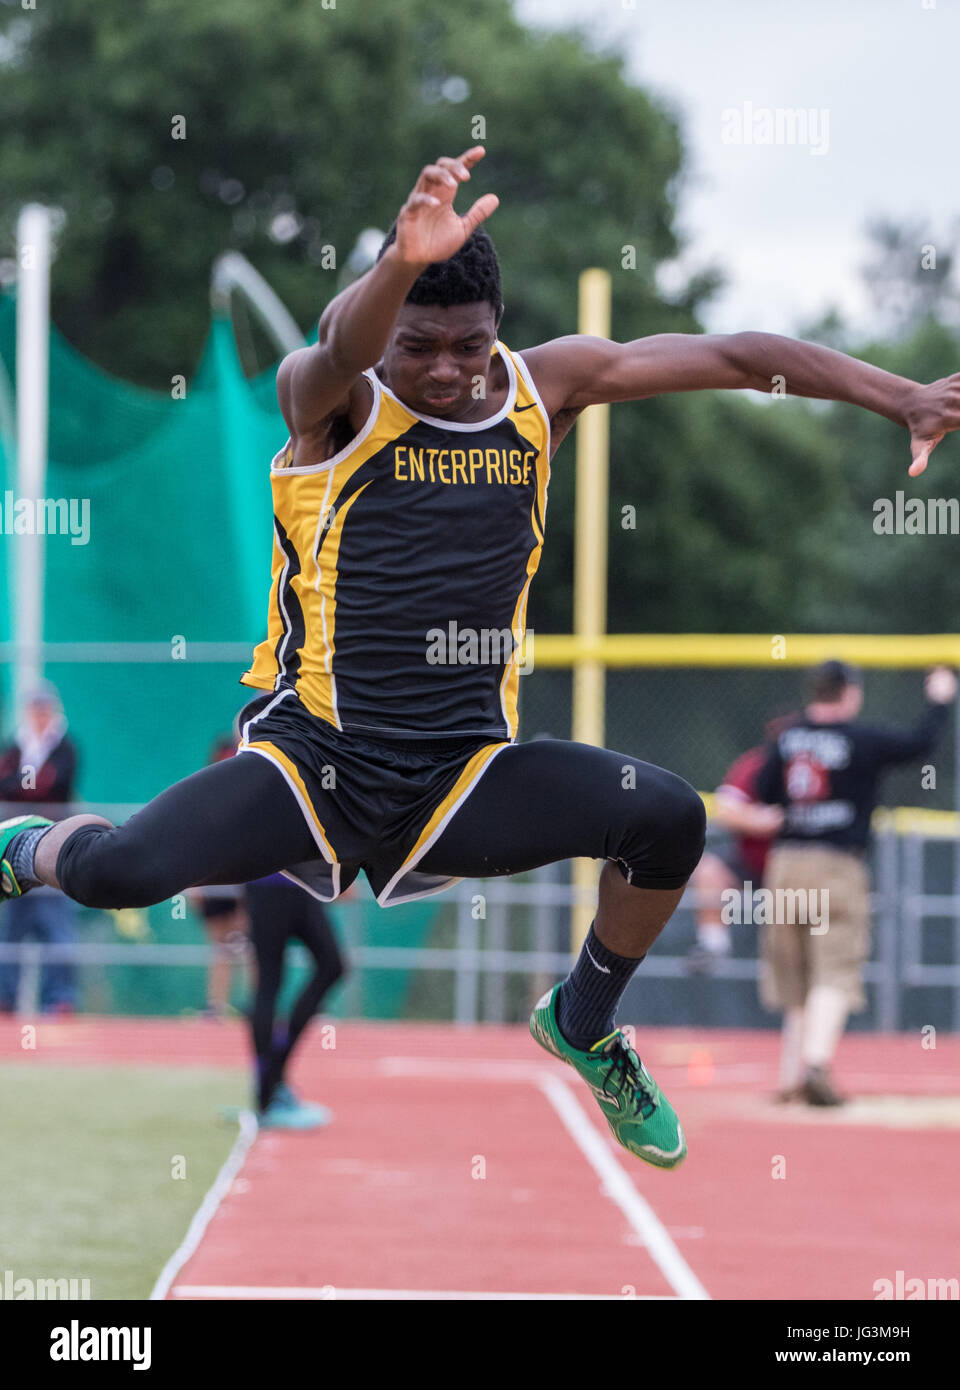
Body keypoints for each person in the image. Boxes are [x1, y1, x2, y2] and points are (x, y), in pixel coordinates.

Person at [4, 147, 960, 1170]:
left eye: (469, 344)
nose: (449, 369)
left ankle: (584, 1022)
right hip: (316, 759)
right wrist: (396, 272)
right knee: (120, 872)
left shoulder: (547, 390)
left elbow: (730, 355)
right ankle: (19, 848)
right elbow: (342, 341)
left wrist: (896, 393)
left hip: (463, 772)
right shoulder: (333, 401)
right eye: (421, 345)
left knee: (669, 816)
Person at [755, 660, 957, 1106]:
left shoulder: (788, 736)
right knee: (835, 968)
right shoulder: (861, 738)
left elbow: (766, 794)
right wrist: (940, 699)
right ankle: (815, 1065)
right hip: (835, 865)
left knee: (795, 973)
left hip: (786, 862)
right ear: (849, 692)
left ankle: (790, 1074)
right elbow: (920, 744)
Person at [688, 717, 794, 970]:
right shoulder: (756, 763)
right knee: (709, 870)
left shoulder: (818, 767)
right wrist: (766, 820)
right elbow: (726, 810)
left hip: (795, 867)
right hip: (751, 863)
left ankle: (796, 957)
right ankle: (713, 946)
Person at [242, 873, 346, 1129]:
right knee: (273, 980)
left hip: (277, 882)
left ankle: (271, 1083)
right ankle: (269, 1091)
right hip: (285, 880)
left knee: (326, 968)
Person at [0, 683, 79, 1014]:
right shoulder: (14, 746)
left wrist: (22, 785)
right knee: (11, 931)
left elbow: (57, 782)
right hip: (15, 848)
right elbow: (7, 784)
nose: (40, 714)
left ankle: (59, 999)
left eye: (45, 708)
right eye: (35, 707)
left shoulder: (66, 746)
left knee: (56, 928)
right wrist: (29, 784)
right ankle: (5, 1000)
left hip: (51, 843)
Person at [186, 734, 252, 1019]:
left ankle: (256, 1003)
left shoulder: (257, 773)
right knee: (221, 945)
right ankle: (217, 1006)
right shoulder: (210, 795)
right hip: (215, 877)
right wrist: (193, 885)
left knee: (247, 943)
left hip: (246, 877)